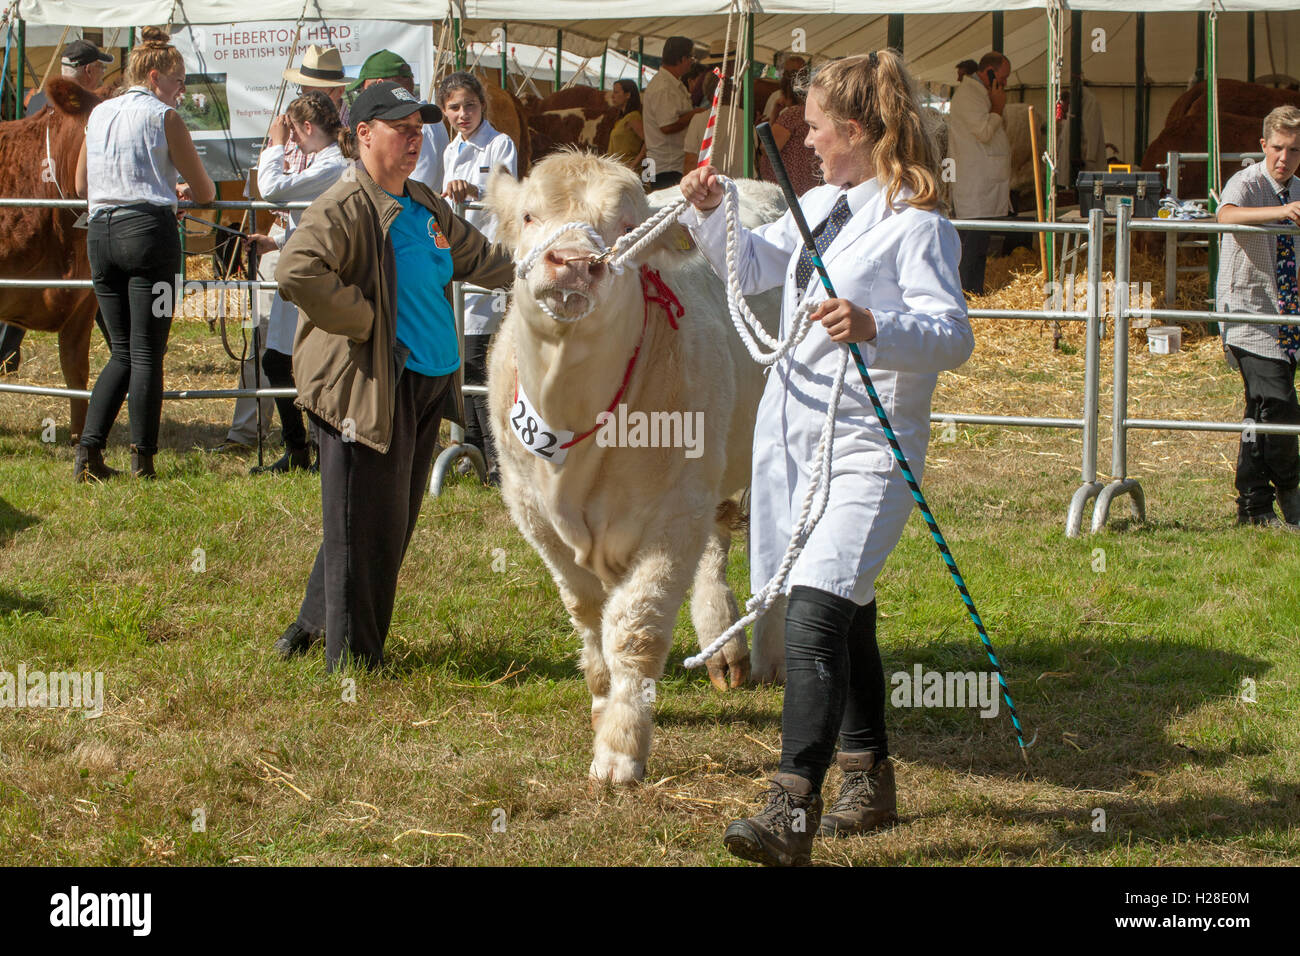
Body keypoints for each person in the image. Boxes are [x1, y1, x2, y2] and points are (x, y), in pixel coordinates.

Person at [680, 49, 972, 866]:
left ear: (852, 131)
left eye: (813, 128)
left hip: (871, 449)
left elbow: (954, 336)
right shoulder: (821, 205)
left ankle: (790, 805)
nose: (802, 141)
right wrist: (711, 210)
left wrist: (876, 324)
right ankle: (868, 773)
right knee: (850, 609)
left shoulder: (919, 225)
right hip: (798, 441)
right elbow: (752, 267)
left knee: (812, 613)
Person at [270, 82, 515, 669]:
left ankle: (311, 624)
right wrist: (363, 320)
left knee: (382, 518)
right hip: (371, 381)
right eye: (399, 127)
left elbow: (480, 257)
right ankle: (353, 660)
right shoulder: (346, 203)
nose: (414, 138)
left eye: (418, 128)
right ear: (362, 134)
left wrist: (541, 267)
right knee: (368, 523)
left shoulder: (425, 204)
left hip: (427, 381)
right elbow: (295, 269)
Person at [71, 27, 215, 482]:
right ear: (156, 77)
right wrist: (178, 189)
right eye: (178, 82)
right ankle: (142, 460)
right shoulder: (164, 117)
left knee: (121, 352)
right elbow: (207, 191)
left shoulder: (99, 114)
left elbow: (79, 186)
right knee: (149, 352)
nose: (182, 91)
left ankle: (88, 452)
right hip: (148, 234)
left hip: (101, 234)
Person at [244, 91, 351, 474]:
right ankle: (301, 449)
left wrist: (274, 145)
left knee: (310, 365)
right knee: (279, 360)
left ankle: (317, 451)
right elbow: (310, 219)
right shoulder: (325, 164)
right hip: (302, 268)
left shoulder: (333, 165)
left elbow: (272, 189)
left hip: (317, 277)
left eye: (294, 132)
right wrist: (277, 241)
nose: (292, 140)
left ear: (307, 127)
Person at [1, 40, 117, 373]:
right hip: (54, 222)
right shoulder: (91, 111)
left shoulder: (40, 99)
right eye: (100, 68)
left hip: (59, 226)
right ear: (91, 71)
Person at [1216, 105, 1300, 528]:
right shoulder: (1247, 182)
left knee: (1261, 409)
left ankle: (1253, 505)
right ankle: (1288, 486)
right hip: (1248, 314)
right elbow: (1225, 215)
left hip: (1287, 316)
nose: (1284, 159)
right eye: (1278, 149)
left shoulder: (1298, 189)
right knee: (1281, 404)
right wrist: (1281, 213)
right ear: (1263, 145)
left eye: (1294, 151)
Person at [438, 71, 517, 485]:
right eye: (454, 107)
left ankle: (497, 459)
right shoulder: (450, 149)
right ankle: (470, 449)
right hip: (457, 263)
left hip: (487, 263)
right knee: (461, 359)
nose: (463, 114)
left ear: (482, 105)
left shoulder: (500, 144)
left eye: (470, 105)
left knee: (479, 360)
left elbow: (506, 195)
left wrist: (473, 190)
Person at [947, 51, 1011, 294]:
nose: (1004, 82)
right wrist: (997, 108)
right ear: (988, 72)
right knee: (972, 245)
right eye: (1002, 76)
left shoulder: (980, 93)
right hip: (974, 184)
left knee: (979, 245)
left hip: (982, 183)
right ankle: (966, 293)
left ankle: (974, 291)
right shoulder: (968, 94)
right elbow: (984, 132)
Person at [349, 49, 447, 195]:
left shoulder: (426, 124)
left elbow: (420, 180)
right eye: (402, 126)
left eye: (363, 89)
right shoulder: (430, 122)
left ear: (379, 85)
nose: (416, 135)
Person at [641, 36, 707, 189]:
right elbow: (667, 127)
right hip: (667, 166)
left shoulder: (673, 84)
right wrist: (695, 114)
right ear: (682, 59)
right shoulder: (664, 88)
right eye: (691, 57)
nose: (692, 61)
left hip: (670, 164)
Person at [757, 73, 820, 197]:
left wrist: (775, 113)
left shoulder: (791, 115)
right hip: (804, 182)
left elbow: (768, 147)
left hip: (787, 185)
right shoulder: (809, 113)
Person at [683, 73, 746, 178]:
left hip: (711, 184)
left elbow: (690, 161)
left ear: (708, 95)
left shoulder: (698, 120)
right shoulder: (745, 117)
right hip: (743, 183)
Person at [282, 45, 349, 127]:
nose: (309, 104)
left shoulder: (352, 128)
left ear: (340, 91)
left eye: (317, 98)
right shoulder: (291, 125)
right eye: (304, 96)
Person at [607, 79, 645, 170]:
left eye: (616, 92)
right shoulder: (623, 119)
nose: (612, 96)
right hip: (618, 169)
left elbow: (649, 142)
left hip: (628, 171)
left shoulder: (633, 117)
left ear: (628, 95)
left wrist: (634, 163)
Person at [764, 53, 806, 123]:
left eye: (803, 73)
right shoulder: (775, 96)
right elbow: (767, 124)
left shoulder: (811, 98)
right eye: (793, 73)